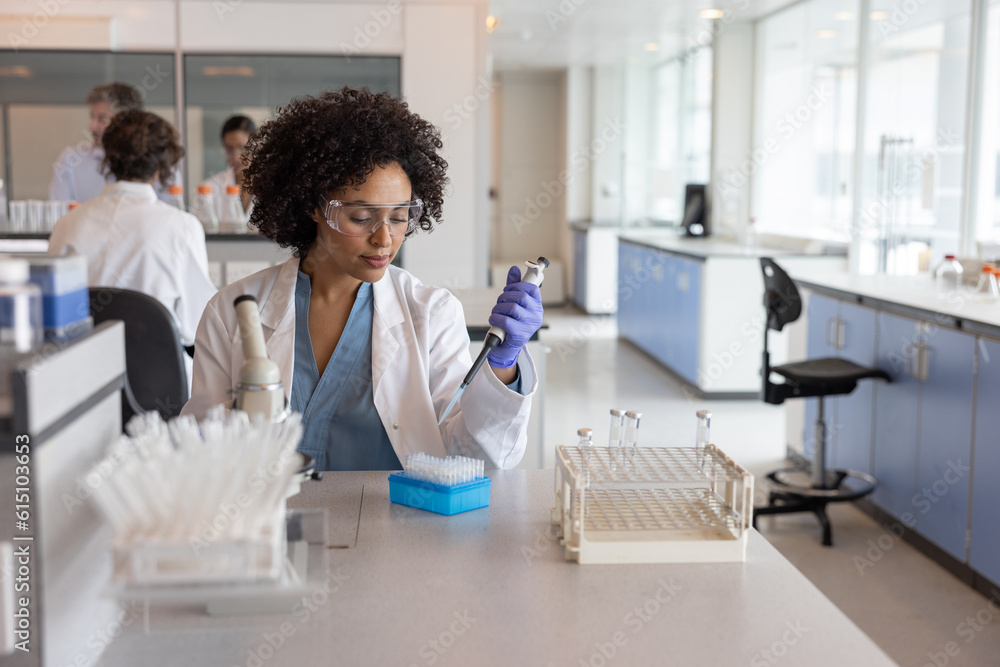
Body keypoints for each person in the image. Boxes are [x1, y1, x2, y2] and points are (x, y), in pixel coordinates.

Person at [181, 88, 543, 472]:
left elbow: (474, 456)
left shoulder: (432, 313)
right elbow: (204, 454)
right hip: (271, 524)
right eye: (361, 217)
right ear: (313, 207)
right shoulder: (231, 312)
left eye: (400, 216)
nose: (384, 239)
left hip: (399, 525)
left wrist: (504, 367)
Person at [48, 110, 217, 372]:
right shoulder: (181, 227)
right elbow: (197, 326)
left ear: (108, 158)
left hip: (81, 382)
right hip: (158, 385)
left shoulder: (67, 225)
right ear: (163, 165)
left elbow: (55, 322)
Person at [48, 83, 178, 204]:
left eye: (102, 119)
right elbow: (60, 216)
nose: (92, 126)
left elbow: (171, 213)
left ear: (127, 123)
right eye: (91, 116)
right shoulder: (71, 160)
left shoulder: (159, 159)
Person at [202, 115, 256, 222]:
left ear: (256, 144)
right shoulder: (209, 188)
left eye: (242, 148)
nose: (236, 156)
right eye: (229, 149)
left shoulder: (273, 187)